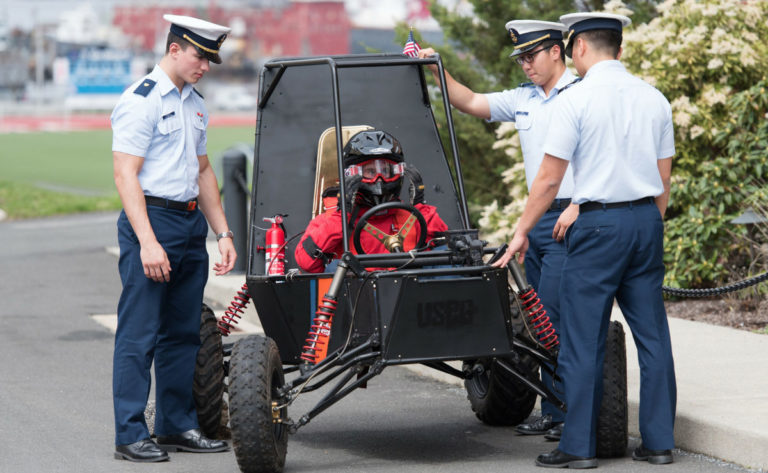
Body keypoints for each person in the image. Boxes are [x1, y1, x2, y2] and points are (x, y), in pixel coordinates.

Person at [492, 12, 676, 469]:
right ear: (620, 47)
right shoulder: (655, 98)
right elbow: (663, 179)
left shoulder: (575, 101)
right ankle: (658, 445)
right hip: (645, 221)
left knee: (581, 339)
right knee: (653, 339)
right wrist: (648, 226)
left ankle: (578, 448)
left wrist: (520, 234)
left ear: (577, 49)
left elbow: (549, 181)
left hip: (596, 227)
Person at [418, 20, 580, 440]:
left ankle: (569, 413)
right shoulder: (524, 99)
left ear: (555, 52)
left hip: (574, 216)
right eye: (520, 58)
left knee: (562, 317)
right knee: (541, 318)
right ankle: (554, 410)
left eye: (531, 56)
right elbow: (470, 101)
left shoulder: (583, 94)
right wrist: (436, 68)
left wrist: (582, 203)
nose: (525, 65)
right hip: (539, 219)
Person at [111, 14, 236, 462]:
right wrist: (147, 242)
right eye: (200, 55)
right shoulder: (141, 100)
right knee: (140, 332)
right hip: (152, 221)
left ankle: (175, 425)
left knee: (183, 333)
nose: (205, 65)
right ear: (175, 49)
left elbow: (202, 171)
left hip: (188, 225)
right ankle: (129, 434)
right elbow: (126, 174)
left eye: (210, 58)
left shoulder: (195, 103)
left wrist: (222, 231)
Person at [295, 129, 448, 272]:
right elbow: (306, 262)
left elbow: (441, 251)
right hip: (356, 296)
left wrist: (420, 206)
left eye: (386, 170)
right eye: (370, 171)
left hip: (407, 295)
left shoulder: (411, 217)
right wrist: (341, 217)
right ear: (352, 175)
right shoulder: (332, 220)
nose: (379, 179)